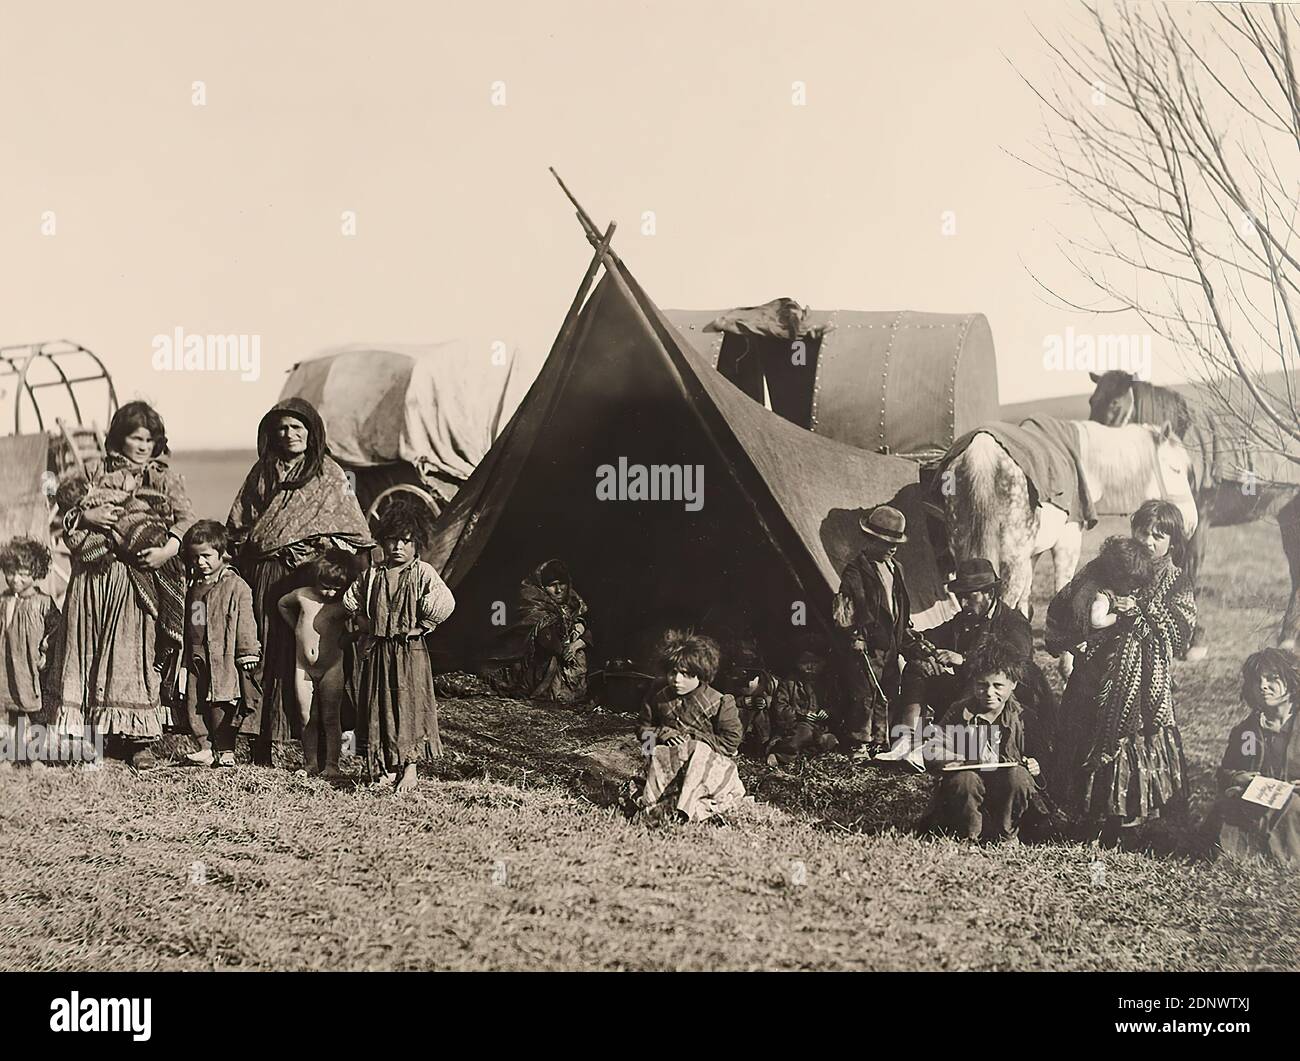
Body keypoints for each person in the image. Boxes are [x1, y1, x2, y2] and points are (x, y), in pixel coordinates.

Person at [46, 401, 195, 769]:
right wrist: (86, 514)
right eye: (135, 438)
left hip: (137, 578)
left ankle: (137, 740)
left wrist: (167, 551)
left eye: (150, 439)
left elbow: (187, 520)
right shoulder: (95, 470)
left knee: (132, 651)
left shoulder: (164, 478)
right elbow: (65, 515)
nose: (143, 446)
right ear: (119, 439)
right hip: (93, 576)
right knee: (88, 648)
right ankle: (89, 735)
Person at [226, 398, 373, 766]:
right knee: (270, 652)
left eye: (297, 428)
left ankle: (325, 750)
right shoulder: (262, 473)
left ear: (312, 433)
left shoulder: (329, 474)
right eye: (281, 428)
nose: (288, 435)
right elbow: (240, 524)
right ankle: (260, 740)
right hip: (268, 574)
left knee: (312, 654)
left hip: (312, 577)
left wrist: (322, 551)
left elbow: (351, 531)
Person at [1048, 501, 1196, 844]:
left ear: (1173, 543)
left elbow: (1180, 632)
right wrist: (1076, 634)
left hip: (1142, 682)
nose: (1149, 540)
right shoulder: (1103, 566)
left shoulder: (1176, 580)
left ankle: (1127, 821)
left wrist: (1141, 611)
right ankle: (1083, 815)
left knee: (1132, 742)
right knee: (1082, 735)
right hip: (1093, 676)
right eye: (1144, 531)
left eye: (1159, 535)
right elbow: (1067, 602)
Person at [343, 506, 455, 793]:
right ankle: (380, 766)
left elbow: (445, 601)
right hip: (378, 652)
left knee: (409, 706)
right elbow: (351, 602)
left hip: (409, 652)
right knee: (377, 705)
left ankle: (410, 768)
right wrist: (362, 621)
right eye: (392, 540)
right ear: (383, 541)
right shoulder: (371, 576)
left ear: (416, 542)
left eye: (406, 540)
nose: (398, 547)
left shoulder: (422, 573)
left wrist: (423, 625)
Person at [831, 505, 941, 762]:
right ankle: (860, 743)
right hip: (867, 643)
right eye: (886, 542)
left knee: (889, 689)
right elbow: (846, 610)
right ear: (871, 539)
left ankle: (881, 743)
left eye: (896, 542)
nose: (893, 548)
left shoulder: (896, 568)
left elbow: (899, 605)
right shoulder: (855, 570)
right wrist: (855, 636)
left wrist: (906, 634)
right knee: (864, 694)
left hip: (891, 641)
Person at [927, 558, 1058, 757]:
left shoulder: (1013, 622)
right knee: (918, 668)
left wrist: (963, 659)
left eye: (970, 596)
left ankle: (967, 746)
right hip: (973, 690)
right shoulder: (965, 618)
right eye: (960, 596)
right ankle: (908, 738)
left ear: (989, 593)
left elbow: (1015, 661)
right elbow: (936, 634)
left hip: (1008, 696)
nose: (963, 603)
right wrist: (919, 639)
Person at [921, 637, 1043, 843]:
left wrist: (1035, 764)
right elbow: (932, 747)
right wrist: (950, 758)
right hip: (968, 792)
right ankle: (969, 835)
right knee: (964, 779)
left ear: (1013, 684)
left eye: (998, 685)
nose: (989, 693)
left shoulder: (1024, 717)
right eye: (981, 685)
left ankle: (1006, 835)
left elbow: (1041, 754)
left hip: (1006, 793)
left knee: (1018, 776)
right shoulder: (960, 711)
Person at [633, 630, 745, 823]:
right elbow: (643, 732)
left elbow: (731, 744)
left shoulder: (720, 702)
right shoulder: (658, 698)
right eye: (673, 673)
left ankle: (684, 810)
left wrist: (691, 741)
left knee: (698, 750)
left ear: (700, 674)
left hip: (707, 771)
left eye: (686, 674)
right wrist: (661, 734)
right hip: (669, 768)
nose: (677, 680)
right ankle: (656, 805)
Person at [178, 521, 261, 769]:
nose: (200, 562)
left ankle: (226, 749)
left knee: (222, 702)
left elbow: (246, 621)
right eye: (195, 557)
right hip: (198, 653)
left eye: (206, 556)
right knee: (196, 701)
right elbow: (196, 619)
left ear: (221, 552)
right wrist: (190, 647)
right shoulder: (195, 586)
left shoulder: (236, 586)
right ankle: (205, 746)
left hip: (222, 654)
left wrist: (247, 651)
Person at [1210, 648, 1300, 867]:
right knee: (1232, 806)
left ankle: (1286, 859)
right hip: (1259, 796)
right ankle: (1240, 856)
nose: (1263, 686)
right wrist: (1238, 777)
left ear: (1292, 680)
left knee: (1292, 806)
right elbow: (1227, 770)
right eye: (1257, 681)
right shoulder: (1247, 731)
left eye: (1272, 679)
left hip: (1295, 799)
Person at [278, 553, 353, 778]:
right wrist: (296, 628)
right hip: (303, 667)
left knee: (330, 716)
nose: (330, 593)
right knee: (305, 716)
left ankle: (332, 764)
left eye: (335, 589)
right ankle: (310, 762)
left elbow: (361, 622)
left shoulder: (343, 605)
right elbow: (282, 604)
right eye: (326, 587)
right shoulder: (303, 596)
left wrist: (348, 637)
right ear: (315, 580)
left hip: (332, 666)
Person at [481, 559, 590, 703]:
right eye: (552, 585)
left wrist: (577, 643)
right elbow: (549, 643)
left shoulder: (573, 602)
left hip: (565, 659)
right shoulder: (533, 605)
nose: (559, 590)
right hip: (536, 667)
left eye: (562, 584)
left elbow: (586, 630)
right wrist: (569, 643)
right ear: (542, 587)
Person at [0, 538, 60, 770]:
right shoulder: (4, 600)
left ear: (36, 572)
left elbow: (56, 630)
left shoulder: (43, 602)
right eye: (10, 572)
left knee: (37, 714)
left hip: (32, 666)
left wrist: (46, 651)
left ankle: (35, 756)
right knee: (13, 711)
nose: (15, 579)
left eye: (23, 573)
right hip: (8, 666)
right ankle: (10, 753)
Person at [766, 645, 840, 767]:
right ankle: (781, 754)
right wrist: (802, 715)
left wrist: (828, 711)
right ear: (797, 663)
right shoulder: (789, 683)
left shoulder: (828, 684)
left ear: (823, 663)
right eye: (805, 662)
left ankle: (809, 749)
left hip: (821, 726)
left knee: (828, 739)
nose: (810, 667)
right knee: (803, 733)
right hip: (797, 725)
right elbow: (780, 708)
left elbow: (837, 704)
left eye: (816, 662)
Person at [720, 641, 778, 757]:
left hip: (762, 718)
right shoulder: (731, 679)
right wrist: (741, 701)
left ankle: (764, 745)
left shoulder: (768, 680)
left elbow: (778, 698)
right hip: (740, 715)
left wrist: (765, 701)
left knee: (762, 717)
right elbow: (723, 698)